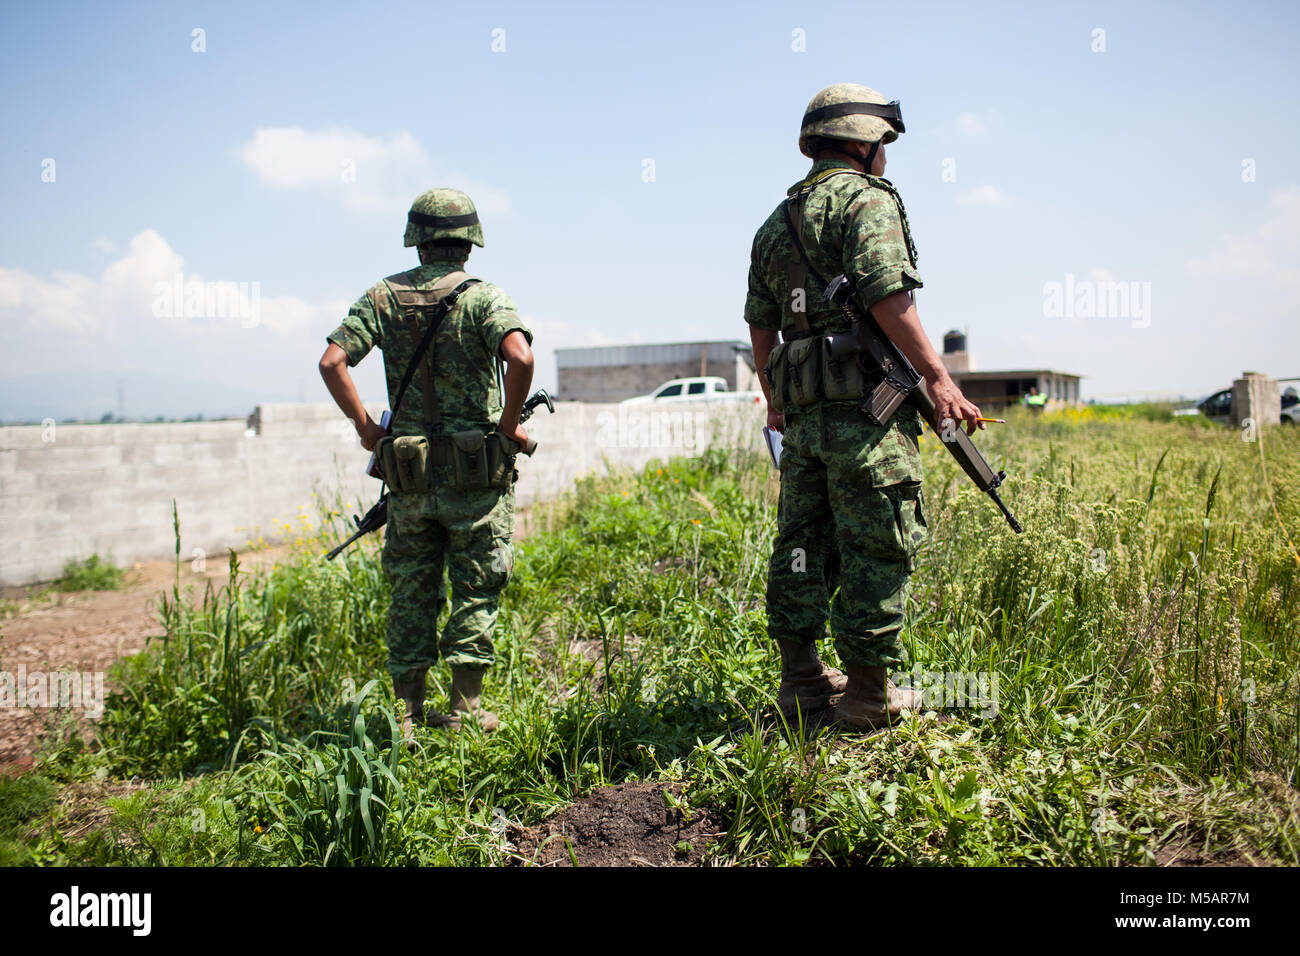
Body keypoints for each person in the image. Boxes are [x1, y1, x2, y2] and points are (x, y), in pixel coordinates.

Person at [745, 83, 983, 730]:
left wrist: (775, 403)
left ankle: (800, 683)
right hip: (866, 417)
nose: (886, 156)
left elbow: (761, 327)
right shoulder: (865, 201)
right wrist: (940, 379)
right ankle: (868, 697)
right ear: (861, 141)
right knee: (876, 541)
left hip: (804, 420)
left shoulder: (774, 224)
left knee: (801, 543)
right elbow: (887, 295)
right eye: (883, 143)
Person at [318, 188, 534, 740]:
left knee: (411, 591)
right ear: (469, 241)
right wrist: (509, 424)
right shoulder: (483, 299)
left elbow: (332, 361)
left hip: (410, 481)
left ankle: (407, 717)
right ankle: (465, 710)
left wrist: (368, 429)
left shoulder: (382, 297)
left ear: (416, 239)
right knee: (476, 585)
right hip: (475, 482)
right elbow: (520, 356)